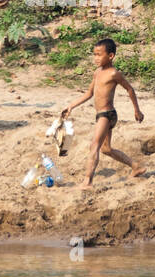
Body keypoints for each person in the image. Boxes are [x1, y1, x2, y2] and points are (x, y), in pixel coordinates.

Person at [61, 38, 146, 190]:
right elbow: (89, 93)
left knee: (94, 145)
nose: (96, 58)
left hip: (107, 114)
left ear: (111, 56)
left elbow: (130, 89)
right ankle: (135, 166)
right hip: (101, 114)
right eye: (94, 55)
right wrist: (71, 106)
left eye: (99, 55)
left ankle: (87, 181)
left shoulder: (114, 73)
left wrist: (137, 110)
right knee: (106, 149)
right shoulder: (97, 73)